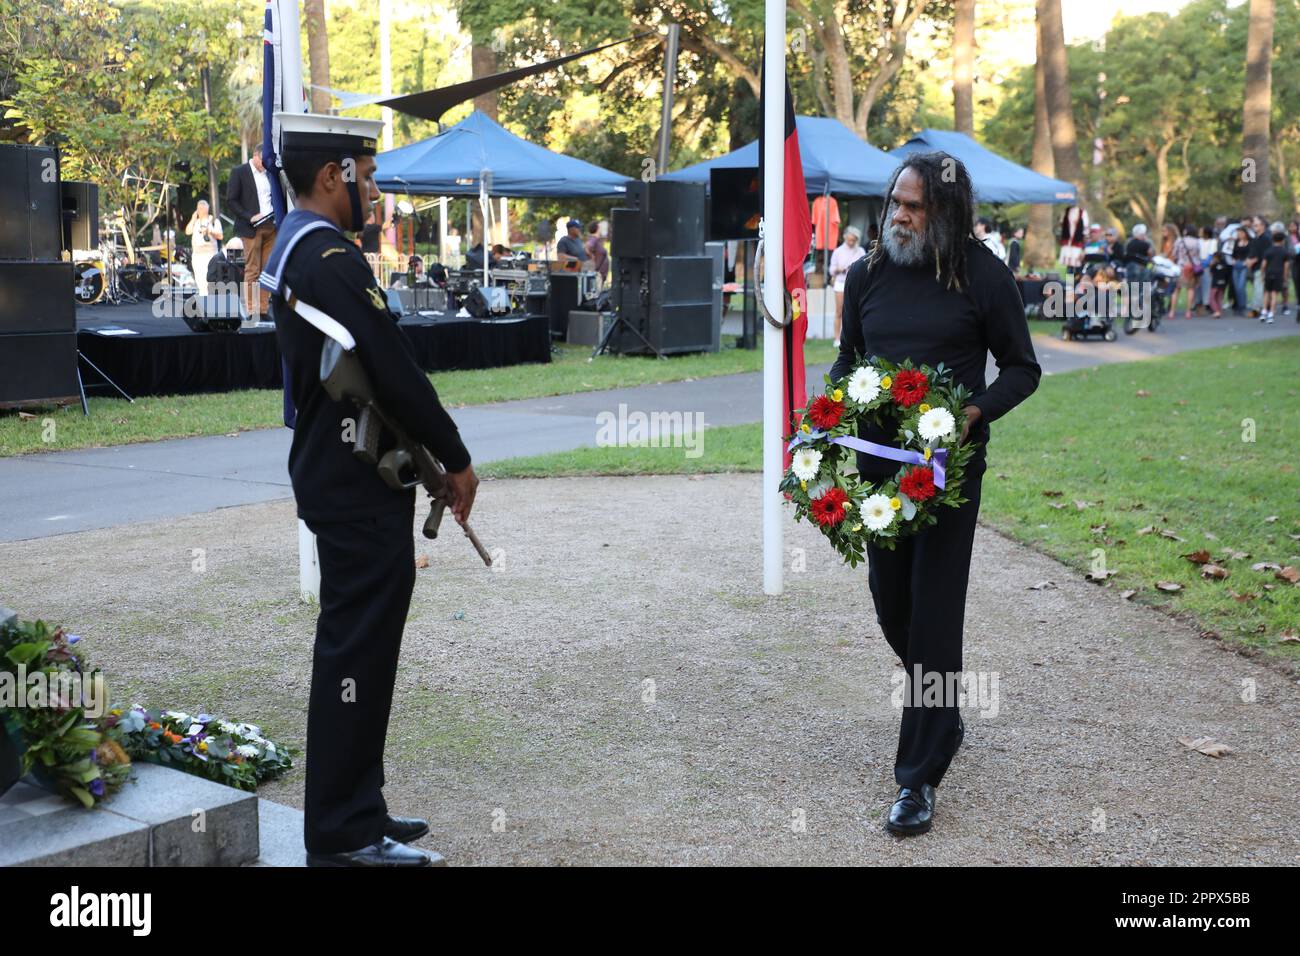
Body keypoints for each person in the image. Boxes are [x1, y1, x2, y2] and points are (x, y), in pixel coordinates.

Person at [261, 112, 479, 867]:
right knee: (355, 655)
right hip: (353, 483)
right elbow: (392, 364)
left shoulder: (294, 243)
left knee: (363, 652)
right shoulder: (327, 257)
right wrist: (453, 456)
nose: (376, 188)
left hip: (339, 473)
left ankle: (362, 808)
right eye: (369, 173)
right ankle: (343, 833)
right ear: (334, 175)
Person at [829, 152, 1040, 836]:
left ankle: (917, 778)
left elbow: (1021, 369)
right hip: (879, 471)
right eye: (895, 202)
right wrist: (829, 416)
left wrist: (973, 412)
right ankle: (942, 711)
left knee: (935, 617)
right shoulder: (865, 275)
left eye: (914, 206)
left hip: (948, 475)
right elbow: (849, 360)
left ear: (946, 212)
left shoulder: (983, 275)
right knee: (893, 604)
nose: (900, 215)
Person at [226, 144, 278, 319]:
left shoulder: (270, 173)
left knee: (267, 270)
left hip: (271, 226)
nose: (265, 163)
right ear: (255, 156)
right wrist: (249, 216)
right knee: (253, 269)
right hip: (251, 228)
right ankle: (251, 309)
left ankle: (263, 309)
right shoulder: (240, 172)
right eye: (263, 160)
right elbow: (231, 201)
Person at [828, 225, 866, 345]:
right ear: (845, 237)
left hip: (856, 284)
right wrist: (839, 269)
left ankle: (856, 337)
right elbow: (831, 269)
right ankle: (837, 338)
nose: (851, 242)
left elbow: (865, 266)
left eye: (853, 240)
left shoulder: (860, 251)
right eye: (849, 240)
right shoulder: (838, 251)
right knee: (839, 311)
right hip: (840, 282)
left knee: (857, 311)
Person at [185, 199, 223, 297]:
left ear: (207, 209)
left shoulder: (213, 220)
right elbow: (188, 231)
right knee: (200, 280)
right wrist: (193, 219)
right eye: (199, 208)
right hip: (197, 255)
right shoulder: (196, 222)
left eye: (203, 208)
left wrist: (210, 231)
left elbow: (220, 235)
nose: (201, 210)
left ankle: (211, 299)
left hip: (210, 254)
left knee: (210, 278)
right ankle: (203, 299)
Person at [1168, 225, 1200, 320]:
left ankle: (1172, 312)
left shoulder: (1179, 241)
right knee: (1190, 289)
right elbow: (1198, 256)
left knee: (1176, 290)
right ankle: (1188, 312)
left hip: (1180, 267)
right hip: (1191, 268)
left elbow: (1174, 254)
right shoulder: (1197, 242)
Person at [1260, 229, 1291, 324]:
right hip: (1279, 274)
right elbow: (1286, 267)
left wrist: (1262, 275)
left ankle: (1264, 311)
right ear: (1282, 241)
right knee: (1274, 295)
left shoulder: (1268, 251)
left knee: (1266, 293)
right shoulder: (1285, 252)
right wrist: (1285, 278)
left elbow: (1263, 265)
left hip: (1269, 273)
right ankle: (1271, 314)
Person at [1208, 250, 1230, 318]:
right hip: (1223, 282)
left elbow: (1211, 274)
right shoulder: (1225, 264)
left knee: (1211, 298)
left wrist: (1211, 266)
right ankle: (1219, 311)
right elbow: (1227, 274)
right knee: (1219, 298)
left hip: (1215, 282)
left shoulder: (1214, 264)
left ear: (1215, 257)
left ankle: (1216, 311)